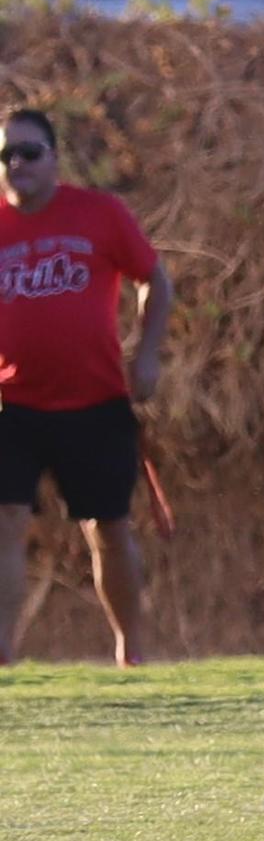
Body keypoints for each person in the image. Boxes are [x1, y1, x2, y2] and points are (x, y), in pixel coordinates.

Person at [0, 106, 172, 667]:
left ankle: (131, 654)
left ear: (53, 159)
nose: (16, 164)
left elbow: (155, 279)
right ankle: (3, 657)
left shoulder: (98, 214)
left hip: (95, 403)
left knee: (108, 529)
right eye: (6, 155)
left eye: (28, 152)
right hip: (15, 405)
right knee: (7, 520)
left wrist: (147, 357)